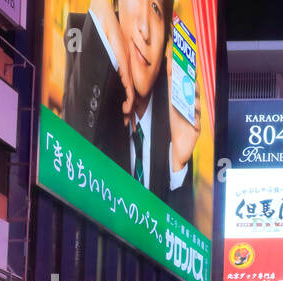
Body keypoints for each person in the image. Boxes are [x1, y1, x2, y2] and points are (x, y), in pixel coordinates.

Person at [62, 0, 198, 218]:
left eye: (155, 9)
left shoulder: (175, 103)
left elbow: (178, 244)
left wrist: (179, 165)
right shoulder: (86, 37)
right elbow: (68, 163)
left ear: (167, 39)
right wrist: (100, 22)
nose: (144, 29)